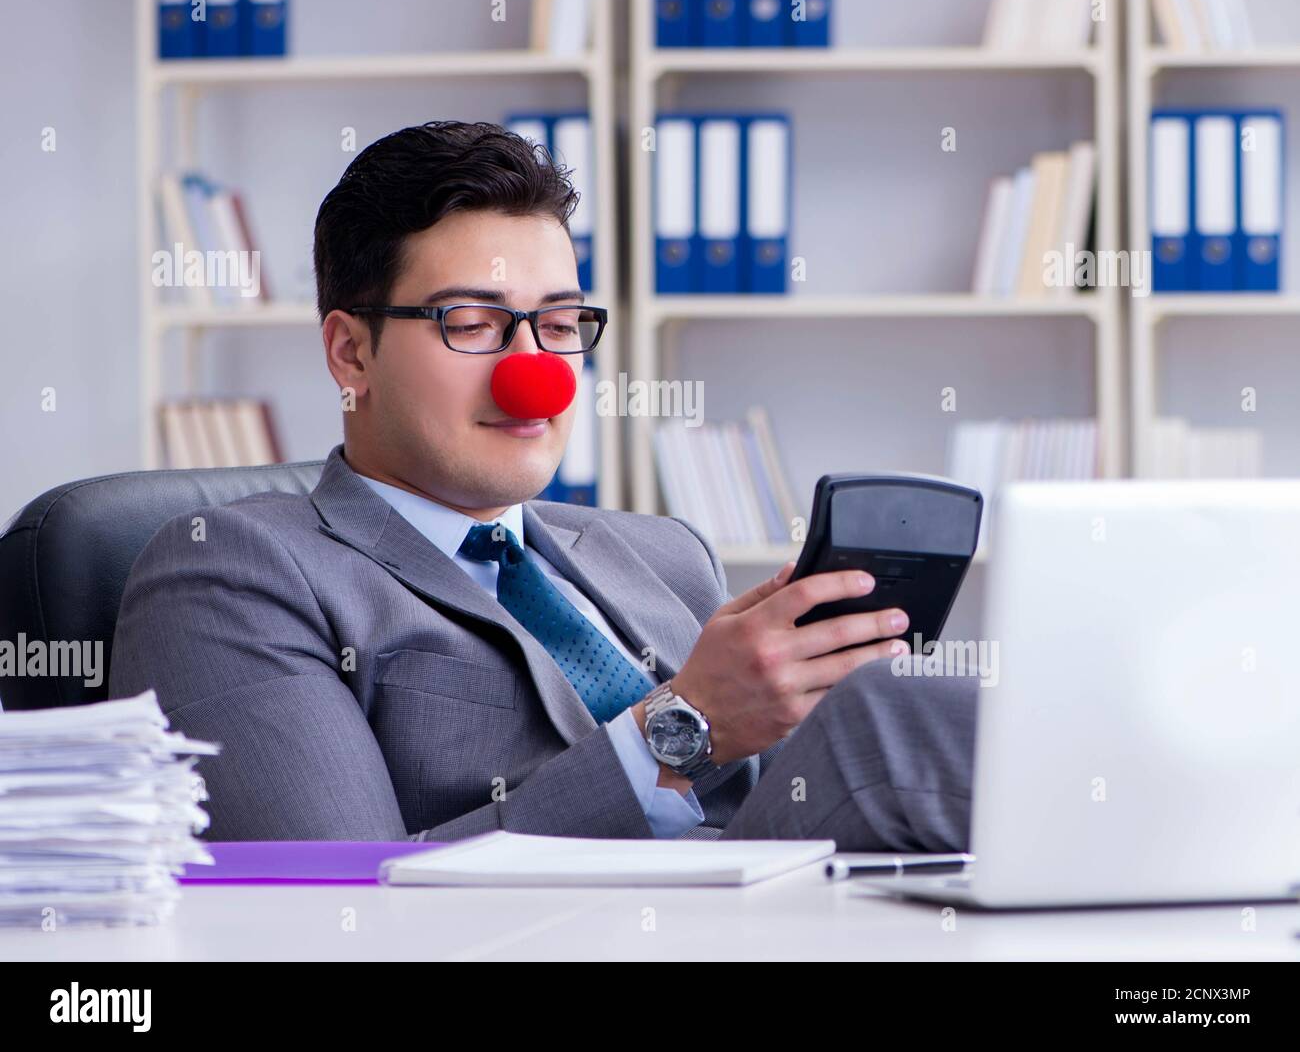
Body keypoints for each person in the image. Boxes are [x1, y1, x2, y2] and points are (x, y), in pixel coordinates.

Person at [109, 121, 976, 848]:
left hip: (807, 924)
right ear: (351, 352)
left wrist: (802, 694)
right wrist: (687, 727)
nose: (535, 375)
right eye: (472, 323)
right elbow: (340, 904)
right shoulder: (230, 572)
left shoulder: (666, 555)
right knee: (893, 722)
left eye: (559, 325)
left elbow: (795, 814)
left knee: (900, 707)